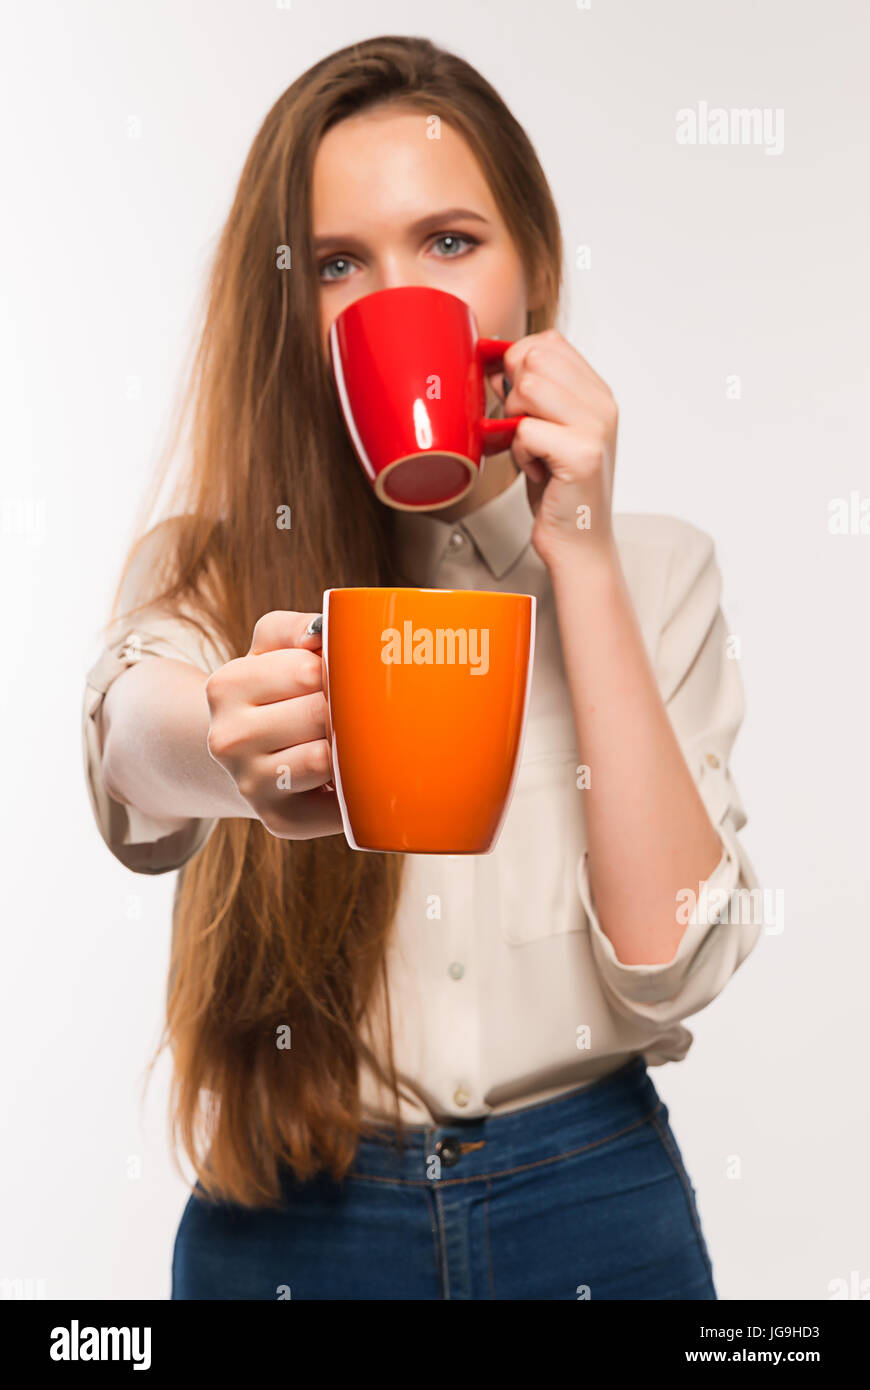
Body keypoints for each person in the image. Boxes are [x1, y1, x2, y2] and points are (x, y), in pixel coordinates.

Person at [82, 35, 762, 1301]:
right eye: (341, 262)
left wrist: (585, 562)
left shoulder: (659, 571)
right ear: (297, 307)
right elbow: (129, 744)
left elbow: (671, 956)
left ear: (532, 270)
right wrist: (226, 745)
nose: (401, 294)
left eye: (450, 241)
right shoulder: (217, 566)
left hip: (593, 1196)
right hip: (294, 1211)